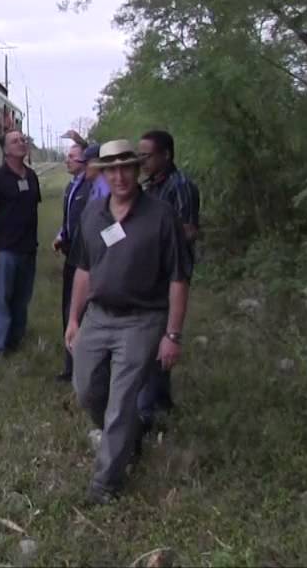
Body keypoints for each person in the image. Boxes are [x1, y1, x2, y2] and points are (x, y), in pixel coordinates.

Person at [64, 139, 191, 503]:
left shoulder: (161, 215)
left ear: (137, 170)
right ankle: (128, 436)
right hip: (99, 316)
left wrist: (173, 334)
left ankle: (106, 484)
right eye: (111, 169)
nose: (119, 176)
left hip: (143, 319)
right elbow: (83, 270)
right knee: (87, 388)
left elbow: (179, 278)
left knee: (122, 400)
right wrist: (74, 318)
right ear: (102, 174)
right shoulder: (94, 214)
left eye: (126, 168)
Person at [136, 129, 201, 428]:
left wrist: (154, 242)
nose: (142, 161)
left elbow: (188, 231)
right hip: (148, 273)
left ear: (166, 155)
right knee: (153, 339)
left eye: (147, 156)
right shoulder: (151, 186)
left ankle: (146, 413)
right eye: (140, 156)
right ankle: (161, 401)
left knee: (153, 339)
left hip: (169, 274)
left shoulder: (181, 186)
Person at [0, 129, 42, 355]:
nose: (21, 143)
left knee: (22, 298)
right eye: (15, 141)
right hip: (4, 249)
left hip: (28, 248)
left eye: (23, 139)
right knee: (1, 298)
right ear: (5, 150)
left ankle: (15, 340)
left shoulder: (31, 176)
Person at [53, 142, 89, 380]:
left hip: (85, 260)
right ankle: (70, 366)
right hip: (71, 256)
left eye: (72, 157)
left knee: (81, 310)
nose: (67, 160)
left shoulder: (94, 188)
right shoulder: (72, 186)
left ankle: (82, 367)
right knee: (69, 310)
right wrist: (61, 235)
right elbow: (70, 221)